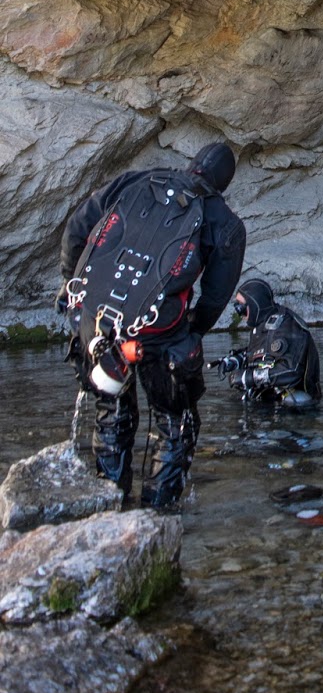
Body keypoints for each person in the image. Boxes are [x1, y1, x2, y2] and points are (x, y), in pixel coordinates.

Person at [59, 141, 246, 509]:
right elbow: (215, 295)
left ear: (191, 163)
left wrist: (74, 288)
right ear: (224, 184)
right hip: (162, 332)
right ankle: (158, 515)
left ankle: (108, 504)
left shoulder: (135, 182)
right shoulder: (223, 221)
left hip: (97, 323)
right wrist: (193, 332)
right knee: (175, 426)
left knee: (111, 415)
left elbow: (76, 230)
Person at [218, 277, 321, 407]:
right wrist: (237, 360)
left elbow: (291, 371)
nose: (240, 313)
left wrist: (249, 377)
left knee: (298, 399)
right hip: (269, 399)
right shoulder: (262, 325)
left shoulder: (287, 327)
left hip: (293, 406)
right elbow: (262, 354)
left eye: (242, 307)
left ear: (255, 304)